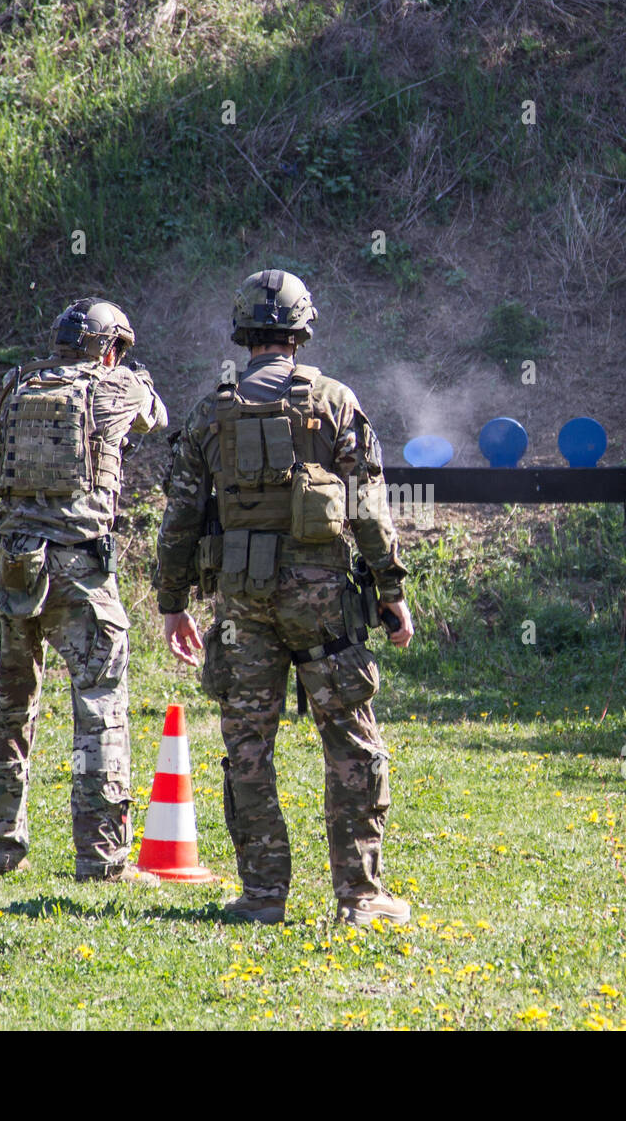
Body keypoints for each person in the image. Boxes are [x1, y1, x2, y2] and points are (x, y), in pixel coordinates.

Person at [153, 269, 414, 925]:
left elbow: (181, 517)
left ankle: (263, 895)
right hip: (322, 606)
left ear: (245, 332)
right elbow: (368, 507)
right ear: (301, 329)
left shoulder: (209, 409)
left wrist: (172, 602)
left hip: (243, 607)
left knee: (247, 750)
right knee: (352, 744)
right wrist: (391, 591)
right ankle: (360, 896)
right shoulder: (333, 401)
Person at [0, 298, 166, 885]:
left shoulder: (14, 386)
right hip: (81, 573)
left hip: (16, 568)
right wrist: (133, 377)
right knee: (99, 710)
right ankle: (101, 860)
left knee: (9, 709)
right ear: (108, 347)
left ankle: (1, 850)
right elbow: (158, 416)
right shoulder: (116, 387)